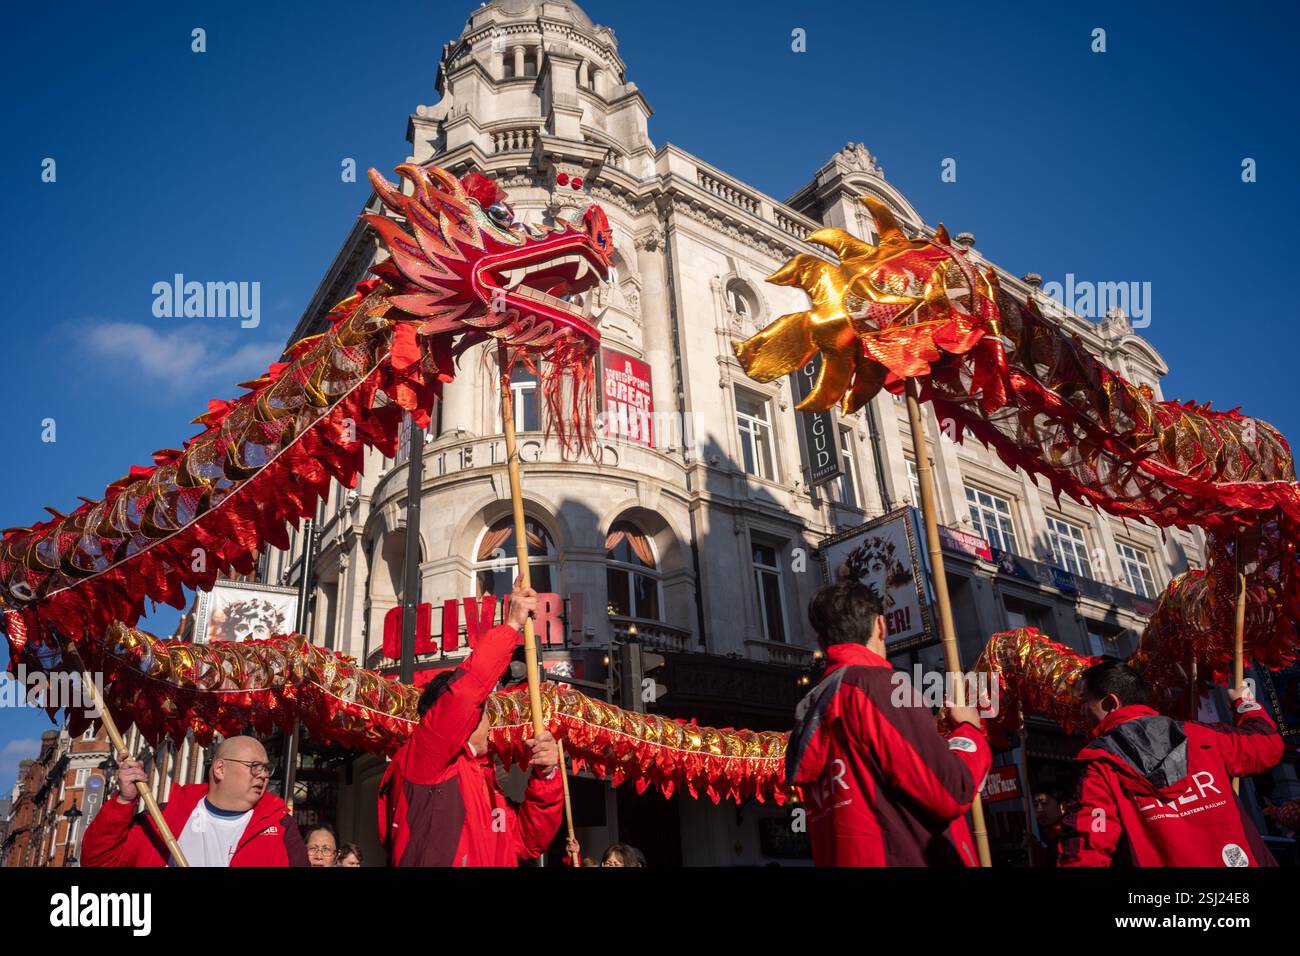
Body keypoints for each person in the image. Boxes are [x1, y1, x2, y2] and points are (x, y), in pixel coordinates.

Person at [785, 581, 991, 866]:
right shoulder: (880, 688)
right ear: (881, 626)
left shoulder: (809, 711)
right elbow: (949, 791)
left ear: (821, 643)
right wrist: (969, 733)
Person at [378, 577, 564, 866]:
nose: (490, 721)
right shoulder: (428, 756)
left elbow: (528, 841)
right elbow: (464, 694)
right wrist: (511, 626)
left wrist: (547, 776)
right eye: (484, 708)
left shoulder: (485, 778)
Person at [1058, 659, 1284, 867]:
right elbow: (1265, 743)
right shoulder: (1203, 736)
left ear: (1110, 703)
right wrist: (1245, 704)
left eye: (1083, 701)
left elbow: (1086, 846)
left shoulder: (1101, 763)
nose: (1081, 711)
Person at [83, 735, 307, 867]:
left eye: (266, 769)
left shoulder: (279, 826)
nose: (263, 775)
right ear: (220, 768)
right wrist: (123, 801)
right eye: (254, 767)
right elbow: (98, 862)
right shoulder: (164, 818)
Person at [1032, 789, 1065, 865]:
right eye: (1035, 805)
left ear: (1062, 807)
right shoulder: (1044, 836)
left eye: (1044, 803)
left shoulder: (1071, 834)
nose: (1039, 809)